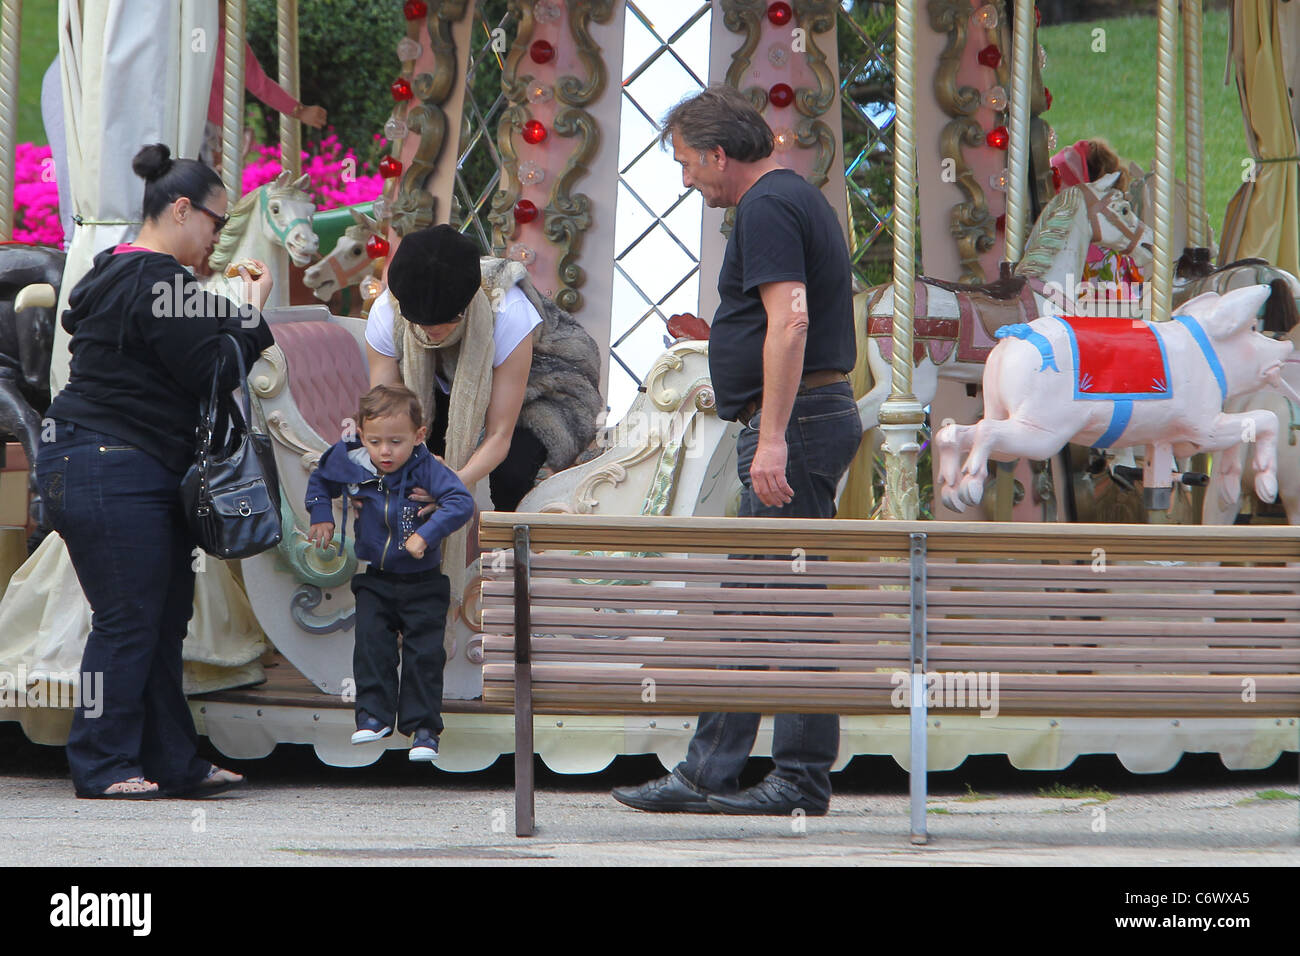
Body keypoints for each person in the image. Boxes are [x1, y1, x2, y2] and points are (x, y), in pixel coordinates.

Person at [611, 85, 862, 816]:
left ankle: (788, 778)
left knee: (781, 607)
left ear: (720, 155)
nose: (687, 178)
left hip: (798, 420)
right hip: (808, 412)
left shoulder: (764, 207)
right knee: (762, 603)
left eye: (689, 163)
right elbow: (774, 324)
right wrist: (721, 341)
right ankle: (719, 774)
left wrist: (774, 436)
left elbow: (791, 323)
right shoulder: (790, 197)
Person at [37, 143, 275, 798]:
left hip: (102, 462)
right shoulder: (159, 281)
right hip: (109, 464)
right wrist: (253, 315)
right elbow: (215, 368)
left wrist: (235, 315)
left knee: (160, 618)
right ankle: (101, 762)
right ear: (180, 209)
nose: (219, 238)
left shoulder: (119, 271)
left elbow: (193, 340)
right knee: (128, 620)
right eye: (217, 222)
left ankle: (173, 760)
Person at [304, 383, 475, 760]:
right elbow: (320, 481)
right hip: (376, 580)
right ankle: (373, 716)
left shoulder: (426, 468)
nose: (385, 451)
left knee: (424, 655)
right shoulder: (351, 459)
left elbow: (461, 502)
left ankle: (425, 729)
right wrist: (321, 517)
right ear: (362, 434)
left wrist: (426, 535)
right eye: (376, 441)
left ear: (418, 436)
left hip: (424, 583)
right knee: (371, 648)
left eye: (396, 442)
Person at [202, 0, 328, 167]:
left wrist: (300, 110)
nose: (238, 11)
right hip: (204, 127)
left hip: (209, 128)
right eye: (225, 4)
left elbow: (261, 85)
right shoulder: (222, 40)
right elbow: (261, 86)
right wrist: (300, 111)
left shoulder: (226, 41)